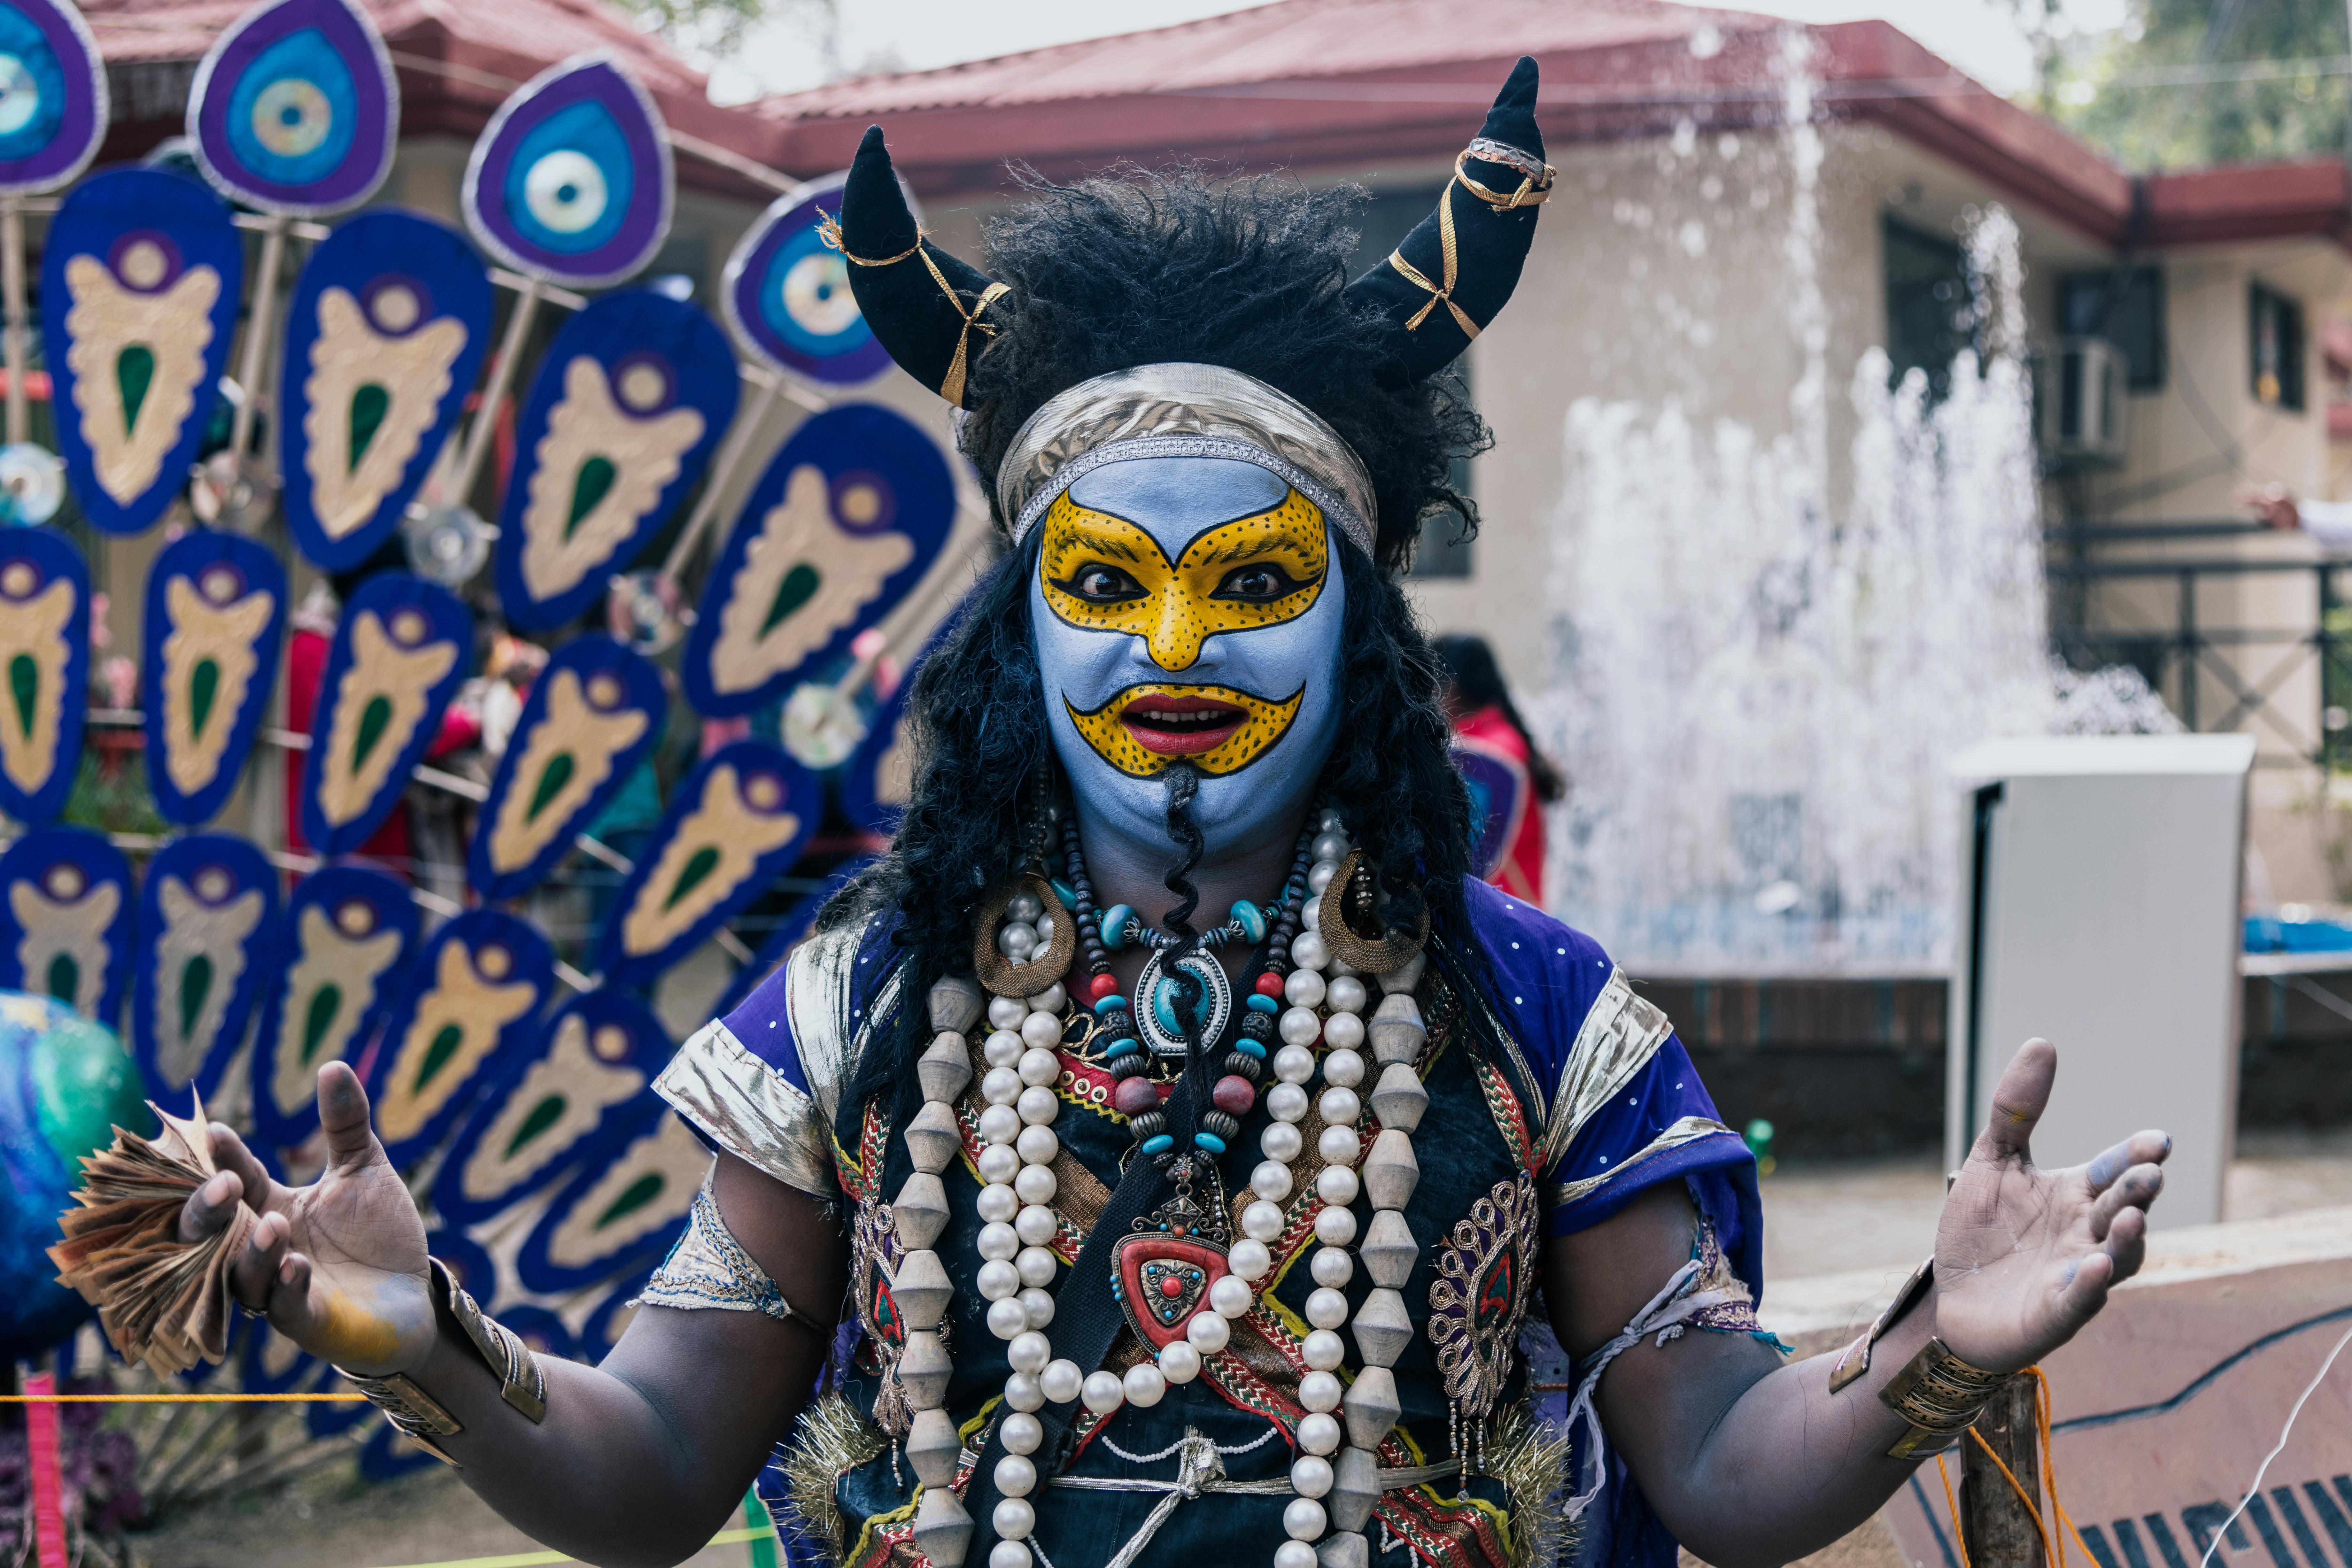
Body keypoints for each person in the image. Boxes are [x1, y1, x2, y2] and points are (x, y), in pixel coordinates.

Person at [166, 61, 2170, 1568]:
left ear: (1362, 623)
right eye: (1107, 586)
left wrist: (1937, 1352)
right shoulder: (863, 1013)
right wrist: (427, 1339)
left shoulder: (1535, 1013)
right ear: (1021, 629)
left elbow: (1724, 1466)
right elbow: (652, 1471)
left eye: (1252, 583)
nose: (1171, 647)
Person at [1435, 634, 1561, 905]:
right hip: (1510, 909)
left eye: (1431, 687)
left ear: (1453, 688)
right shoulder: (1502, 739)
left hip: (1499, 916)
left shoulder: (1491, 752)